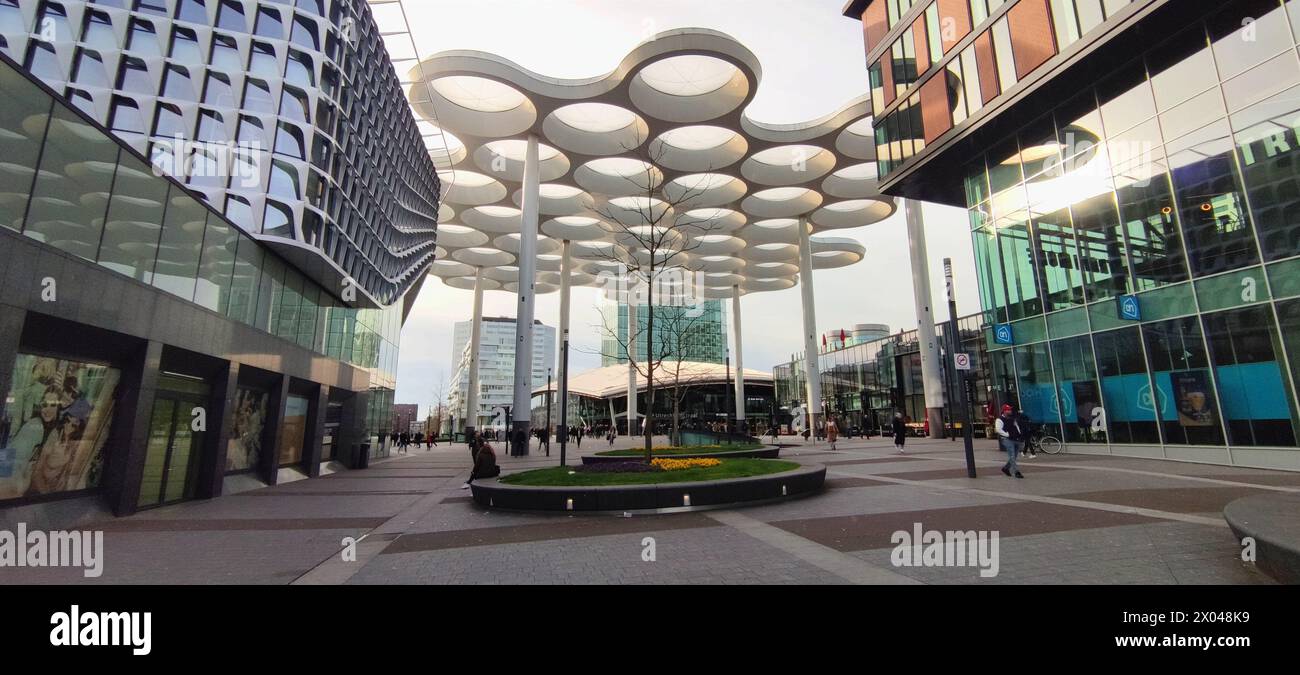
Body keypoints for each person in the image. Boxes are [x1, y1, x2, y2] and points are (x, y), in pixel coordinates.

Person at [995, 404, 1026, 478]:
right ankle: (1016, 472)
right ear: (1004, 411)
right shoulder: (999, 419)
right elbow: (998, 429)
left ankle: (1006, 468)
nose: (1010, 411)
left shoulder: (1012, 418)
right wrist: (1006, 434)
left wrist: (1019, 433)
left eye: (1010, 410)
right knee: (1012, 455)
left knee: (1014, 456)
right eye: (1008, 410)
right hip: (1007, 439)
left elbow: (1016, 426)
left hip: (1015, 438)